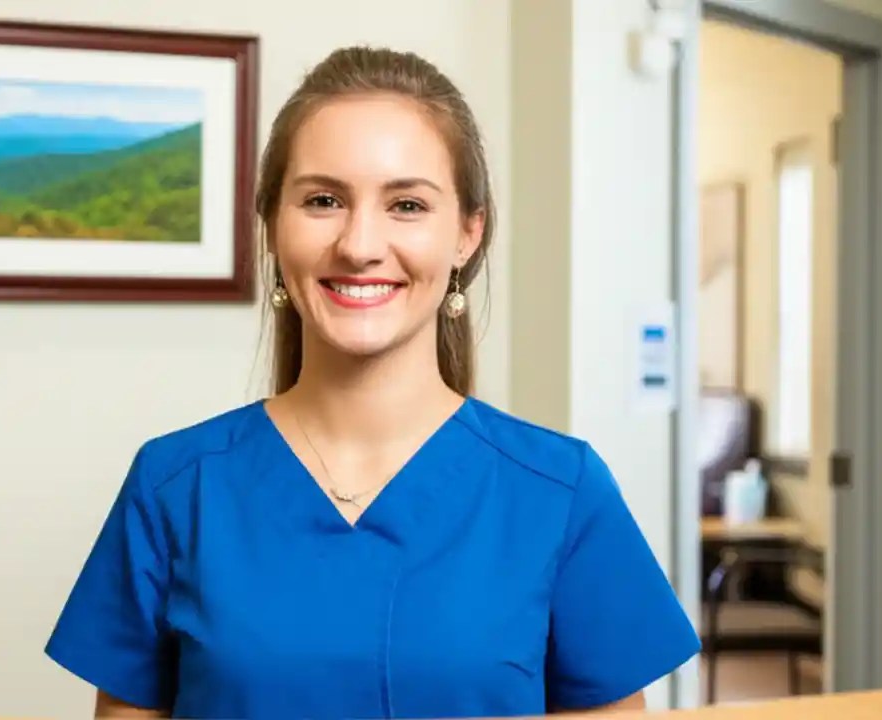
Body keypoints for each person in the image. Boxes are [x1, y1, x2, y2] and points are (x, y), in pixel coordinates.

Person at [44, 45, 701, 719]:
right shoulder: (174, 487)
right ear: (273, 224)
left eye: (407, 205)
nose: (360, 244)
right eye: (324, 200)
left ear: (467, 234)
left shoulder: (562, 495)